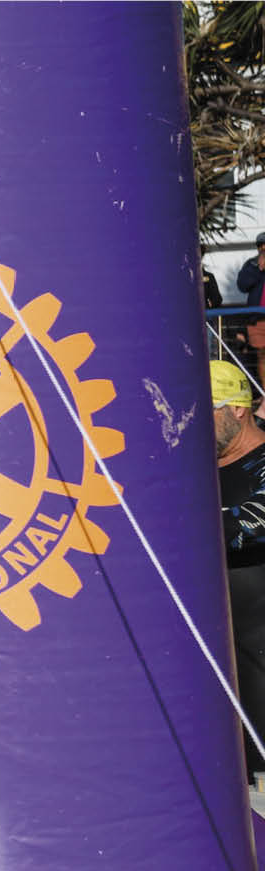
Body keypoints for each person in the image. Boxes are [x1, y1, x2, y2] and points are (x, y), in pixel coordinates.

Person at [213, 359, 265, 782]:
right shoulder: (191, 465)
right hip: (216, 646)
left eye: (204, 410)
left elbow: (250, 526)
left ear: (237, 409)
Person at [238, 233, 265, 309]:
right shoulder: (251, 264)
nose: (263, 247)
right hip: (257, 315)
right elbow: (242, 286)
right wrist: (258, 269)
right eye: (260, 245)